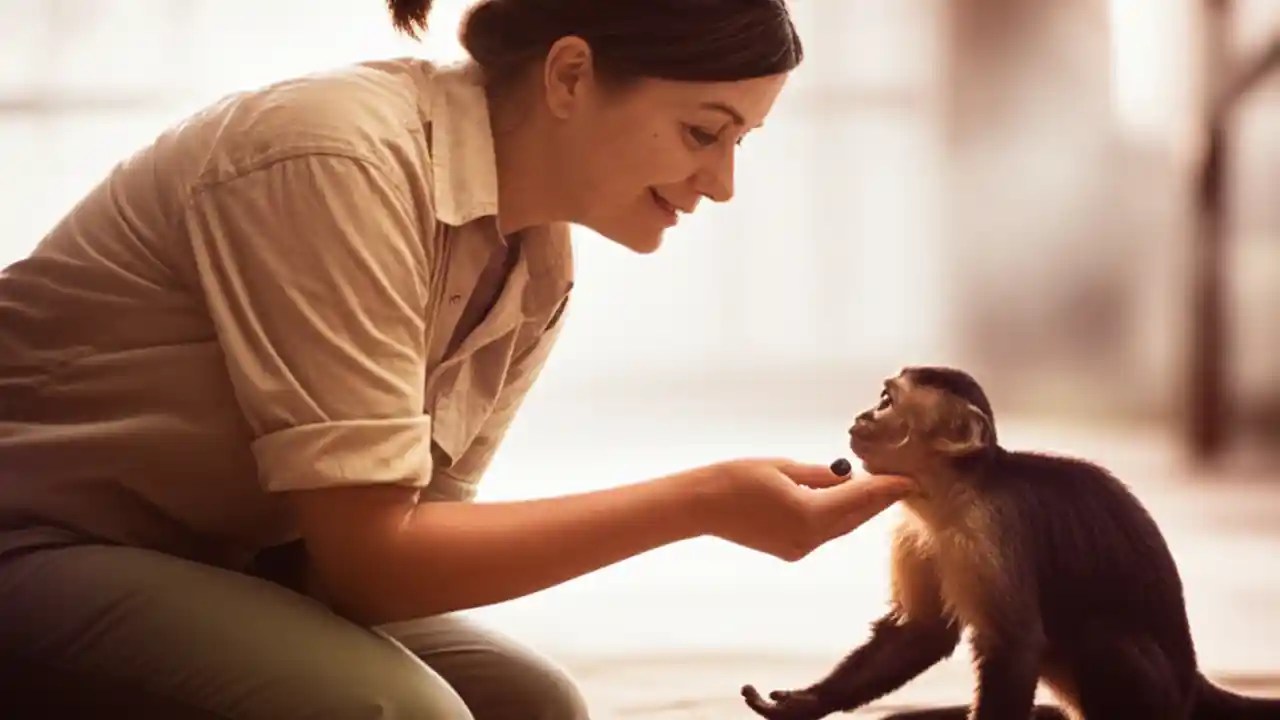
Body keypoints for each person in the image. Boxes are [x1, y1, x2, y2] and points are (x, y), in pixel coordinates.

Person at [0, 1, 916, 717]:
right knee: (391, 709)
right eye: (703, 133)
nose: (720, 185)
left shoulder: (536, 266)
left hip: (224, 560)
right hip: (40, 538)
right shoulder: (337, 155)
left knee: (535, 705)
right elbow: (374, 562)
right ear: (570, 74)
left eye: (740, 144)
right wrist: (703, 503)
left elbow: (407, 546)